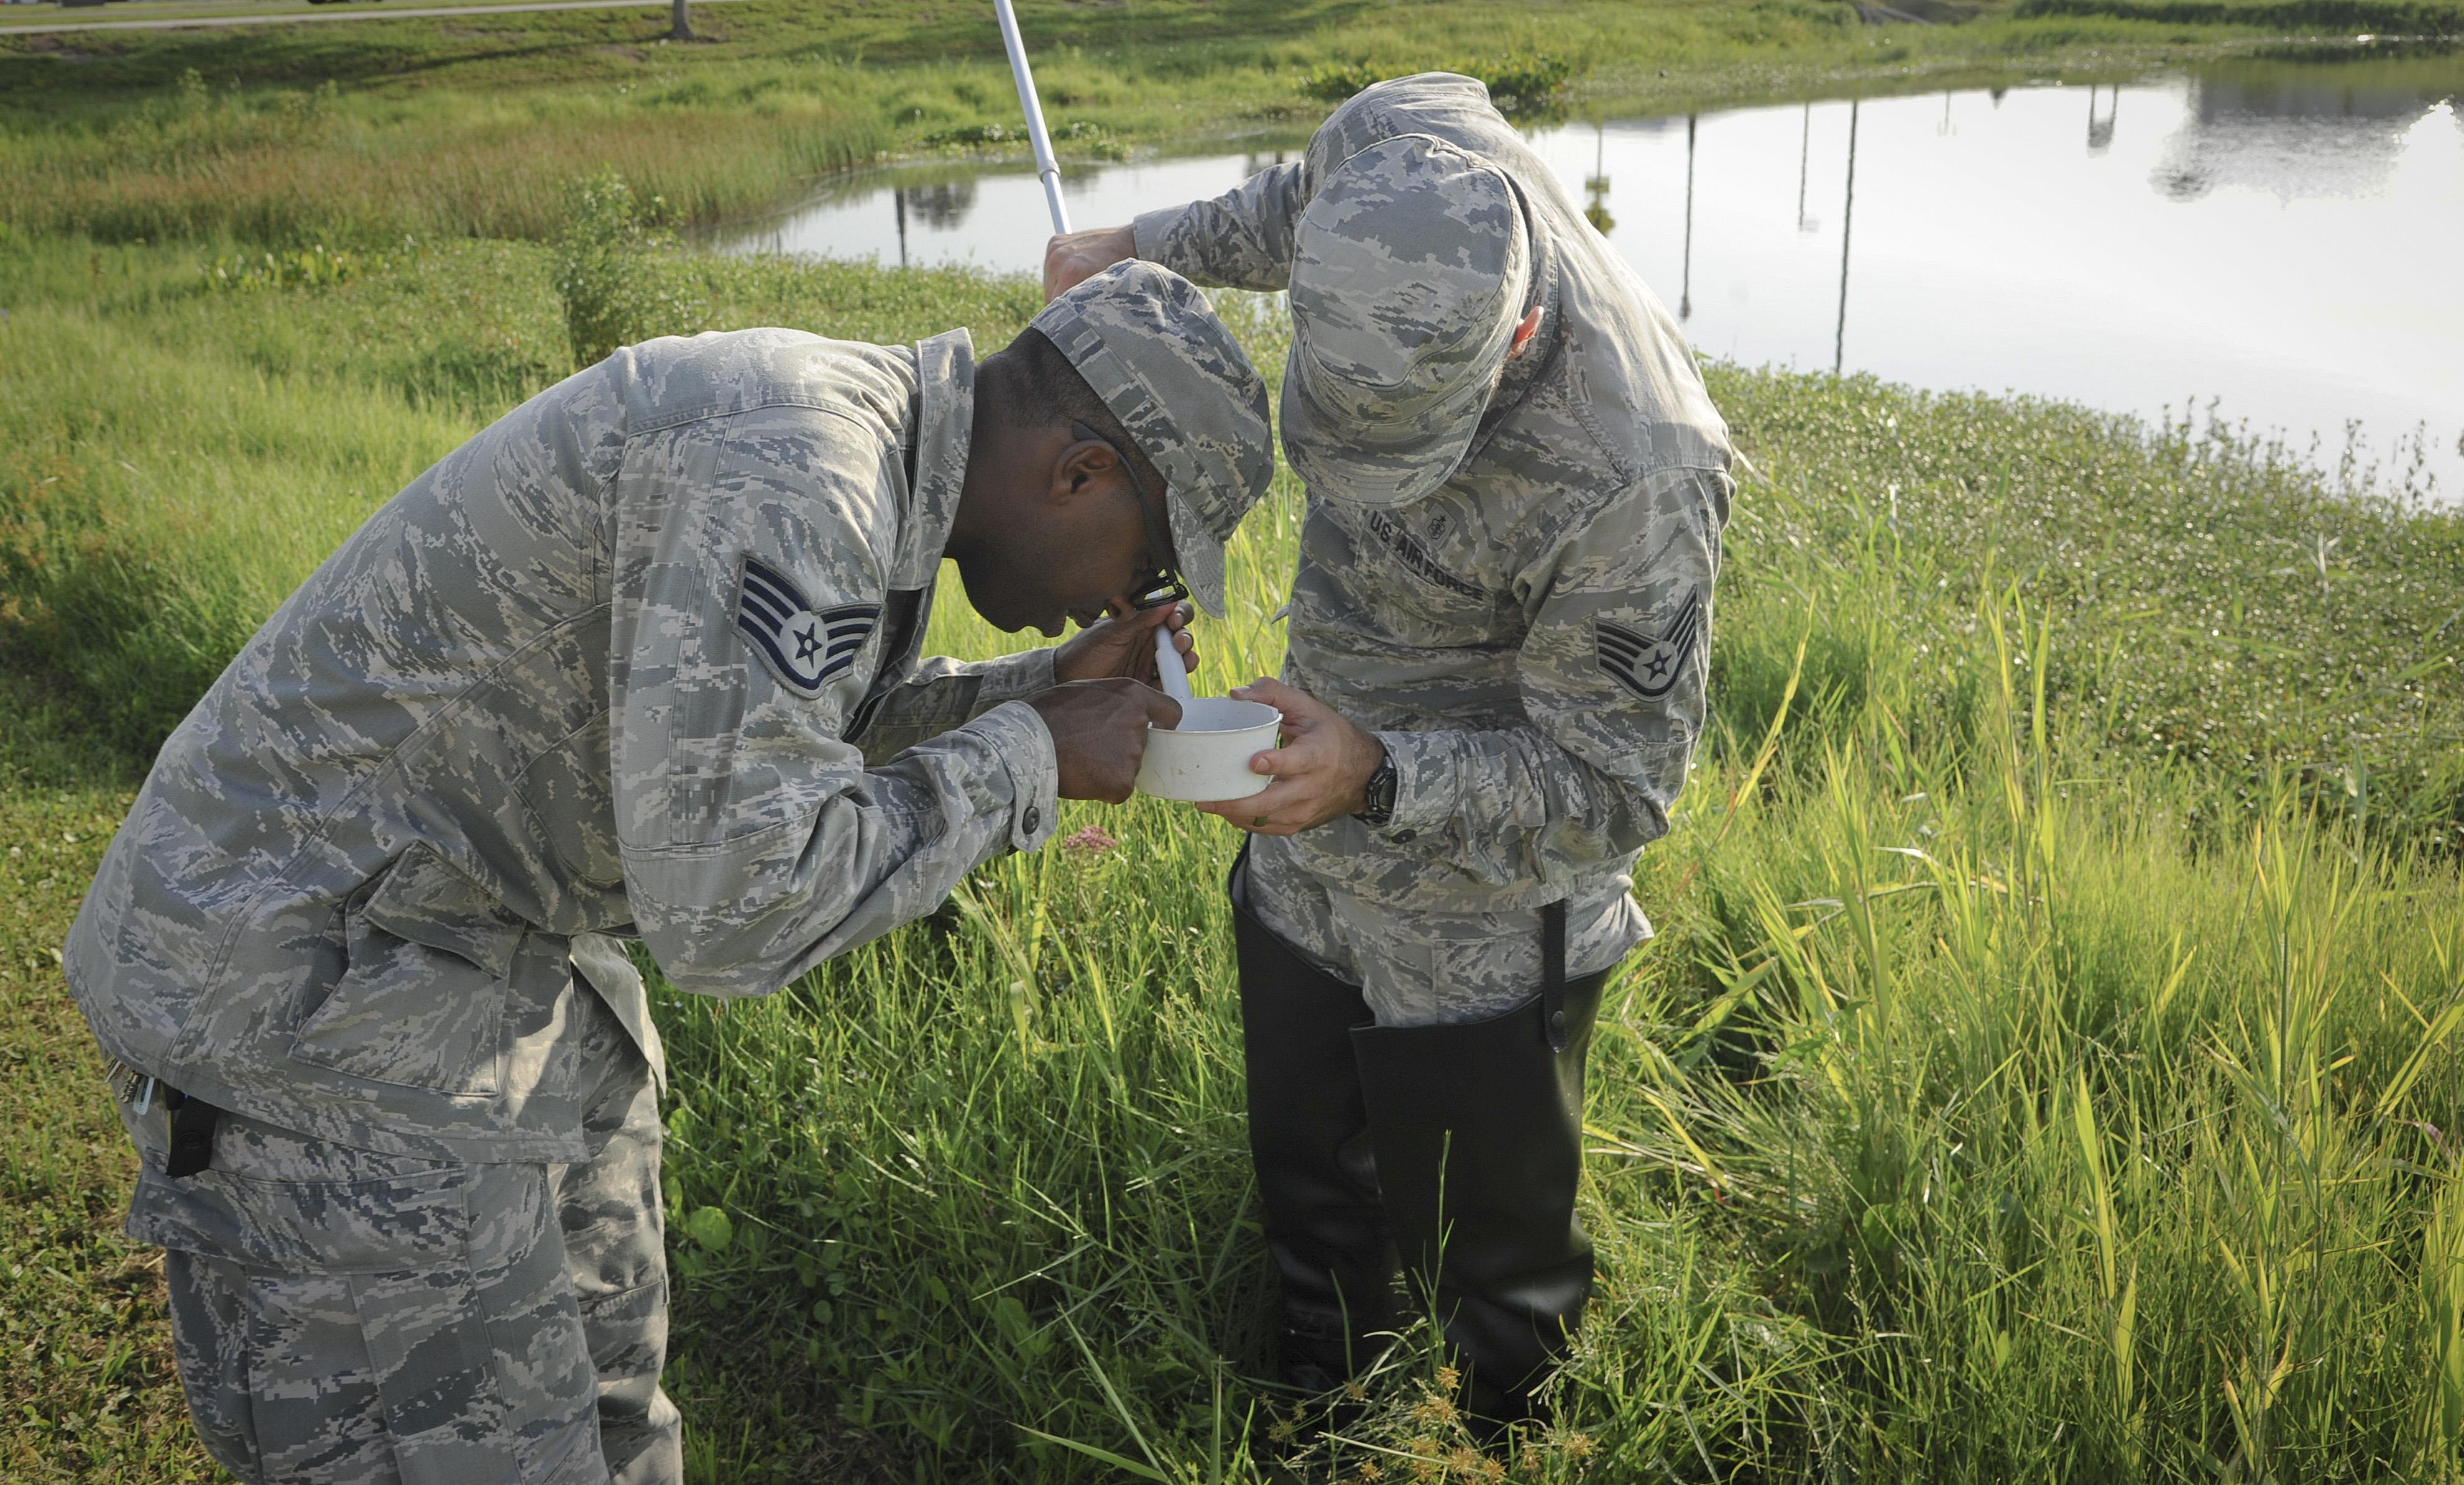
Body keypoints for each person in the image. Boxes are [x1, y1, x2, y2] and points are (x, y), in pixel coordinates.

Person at [64, 260, 1274, 1485]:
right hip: (307, 977)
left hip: (462, 932)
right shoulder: (801, 472)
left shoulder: (868, 460)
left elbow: (759, 737)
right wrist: (1027, 757)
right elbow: (735, 907)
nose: (1132, 598)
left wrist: (1038, 689)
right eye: (1152, 564)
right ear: (1079, 474)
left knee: (606, 1413)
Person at [1046, 75, 1734, 1429]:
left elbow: (1615, 787)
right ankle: (1318, 1402)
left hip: (1477, 904)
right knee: (1308, 1172)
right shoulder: (1394, 141)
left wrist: (1381, 775)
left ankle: (1498, 1439)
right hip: (1303, 825)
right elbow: (1287, 207)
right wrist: (1135, 247)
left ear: (1517, 332)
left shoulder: (1637, 474)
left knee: (1496, 1255)